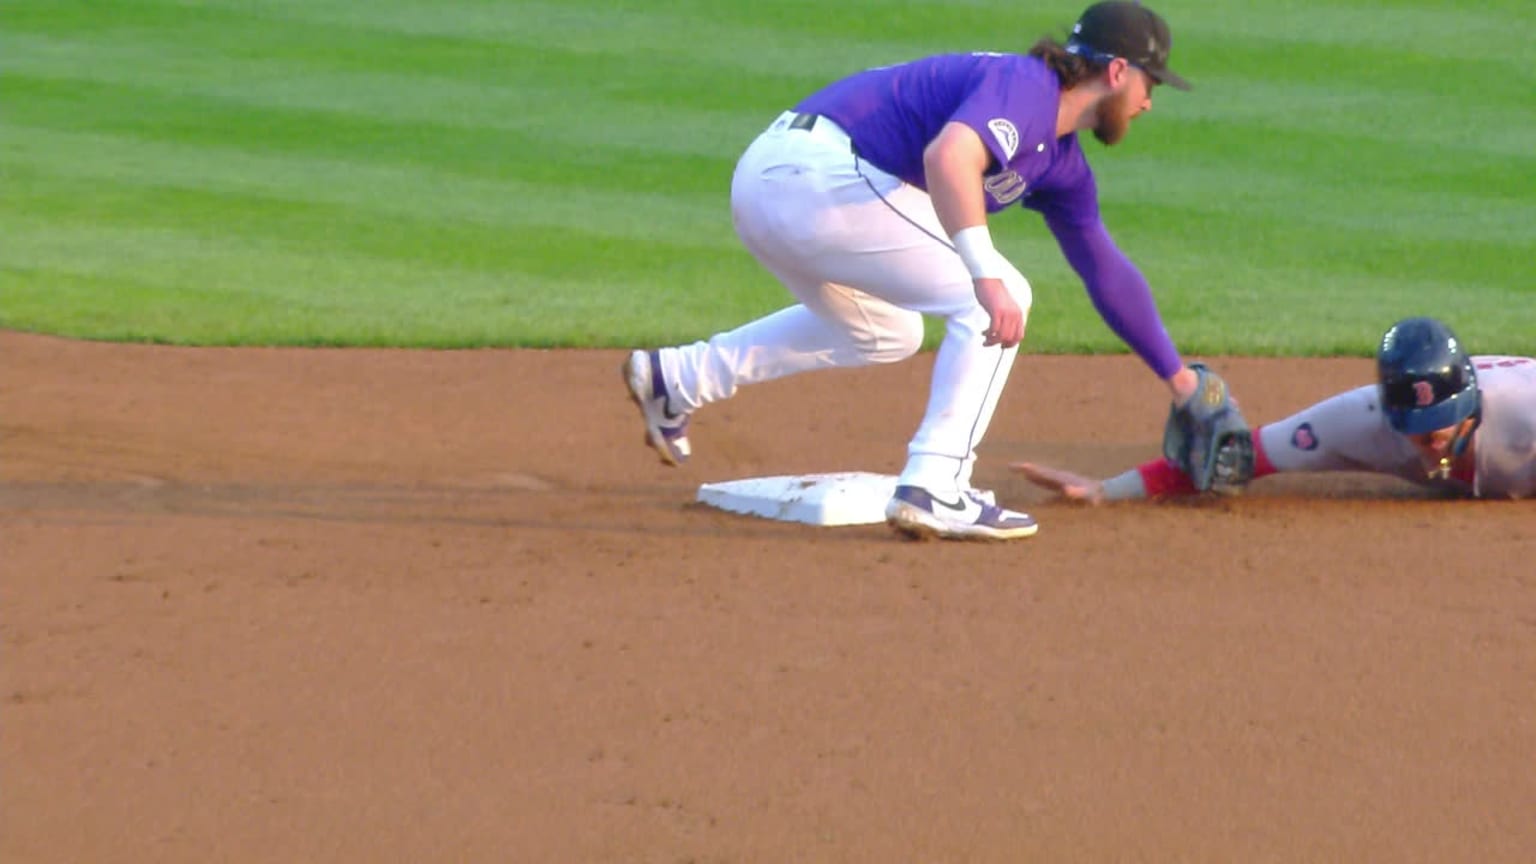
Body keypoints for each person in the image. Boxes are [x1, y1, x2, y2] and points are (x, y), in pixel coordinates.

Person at [623, 1, 1231, 541]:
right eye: (1151, 82)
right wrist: (983, 272)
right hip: (812, 177)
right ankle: (935, 485)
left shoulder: (1061, 161)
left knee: (887, 333)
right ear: (1118, 71)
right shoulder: (1027, 84)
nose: (1150, 100)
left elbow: (1104, 269)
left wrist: (1179, 380)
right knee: (996, 293)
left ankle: (679, 377)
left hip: (789, 187)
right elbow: (950, 156)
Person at [1014, 318, 1536, 502]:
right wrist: (1108, 490)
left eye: (1439, 423)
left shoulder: (1523, 414)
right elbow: (1237, 457)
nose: (1432, 440)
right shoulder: (1362, 421)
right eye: (1417, 430)